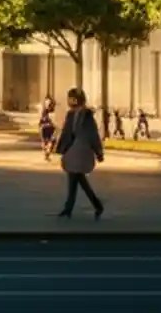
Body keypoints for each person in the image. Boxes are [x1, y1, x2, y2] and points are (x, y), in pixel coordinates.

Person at [55, 87, 105, 220]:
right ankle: (95, 205)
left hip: (77, 150)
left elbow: (70, 133)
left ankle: (69, 208)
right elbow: (91, 135)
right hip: (78, 150)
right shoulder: (80, 115)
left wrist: (61, 148)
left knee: (75, 178)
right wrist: (98, 151)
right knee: (78, 179)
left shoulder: (79, 115)